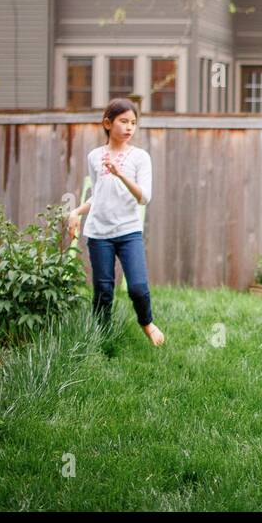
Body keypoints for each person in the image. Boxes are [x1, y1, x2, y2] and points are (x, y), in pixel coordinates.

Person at [68, 98, 165, 346]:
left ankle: (147, 322)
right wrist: (76, 211)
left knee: (138, 287)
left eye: (133, 122)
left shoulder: (140, 158)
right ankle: (102, 338)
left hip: (129, 232)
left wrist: (120, 173)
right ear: (108, 123)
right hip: (99, 233)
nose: (129, 127)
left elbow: (144, 197)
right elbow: (99, 195)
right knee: (103, 291)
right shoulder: (94, 156)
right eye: (124, 121)